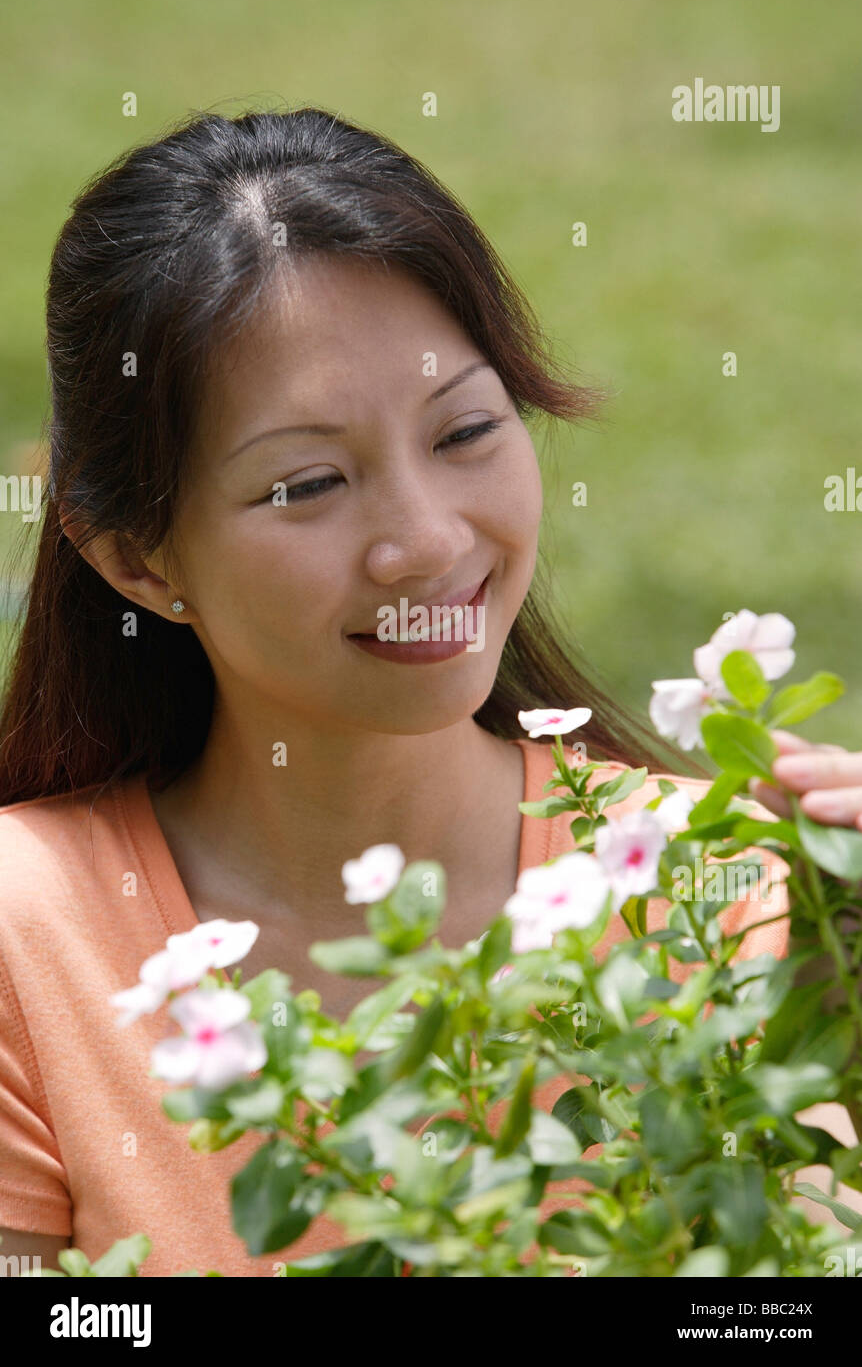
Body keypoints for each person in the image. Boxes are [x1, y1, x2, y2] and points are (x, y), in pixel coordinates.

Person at [0, 107, 860, 1277]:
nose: (423, 539)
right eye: (306, 484)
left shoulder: (723, 899)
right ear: (140, 563)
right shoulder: (29, 935)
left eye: (463, 429)